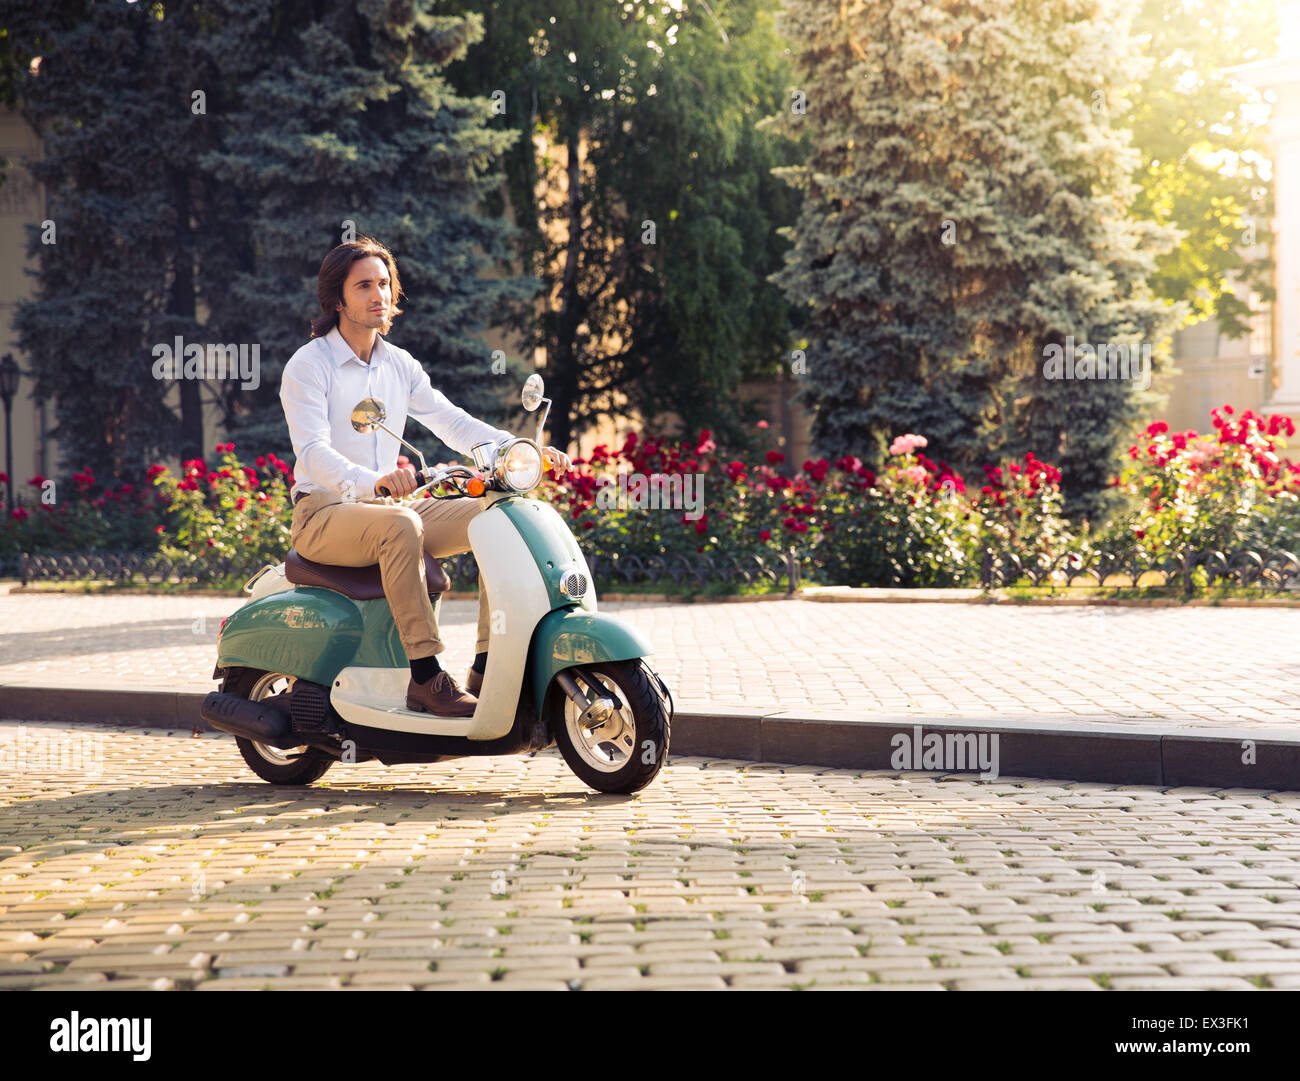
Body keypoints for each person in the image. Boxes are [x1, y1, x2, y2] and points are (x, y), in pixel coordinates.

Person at [279, 236, 570, 717]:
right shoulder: (310, 365)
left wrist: (517, 450)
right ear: (337, 299)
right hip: (324, 514)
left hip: (387, 509)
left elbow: (452, 422)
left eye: (385, 283)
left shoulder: (398, 364)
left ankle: (487, 666)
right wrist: (374, 480)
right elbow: (313, 454)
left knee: (498, 517)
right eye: (364, 286)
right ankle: (426, 677)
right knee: (402, 526)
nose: (380, 295)